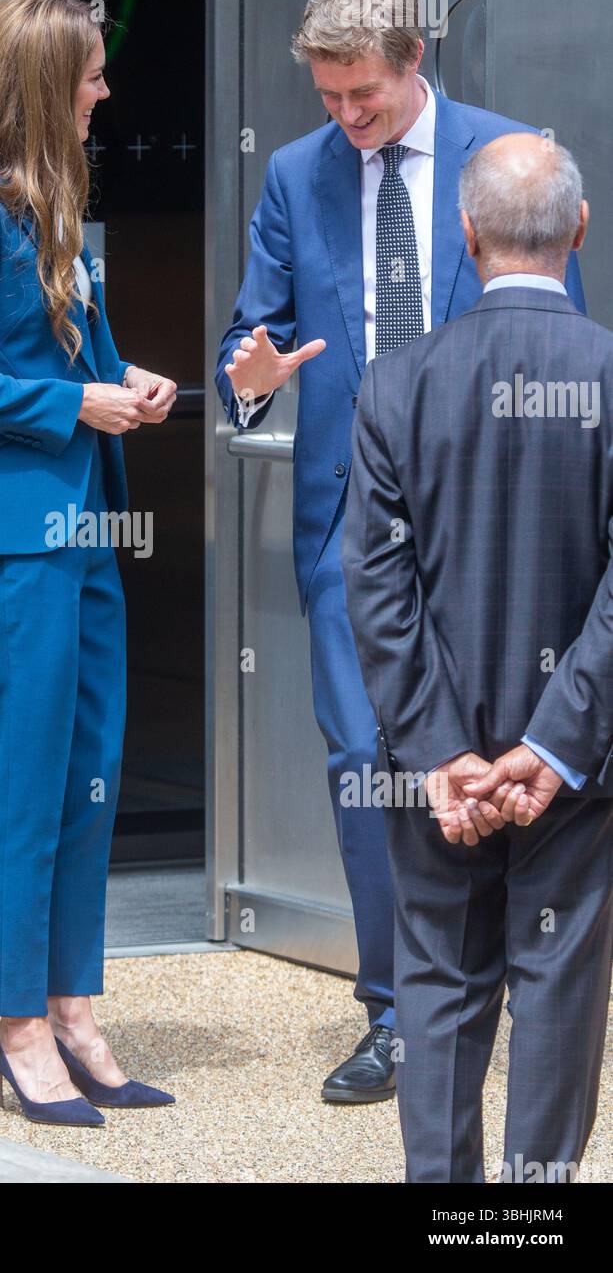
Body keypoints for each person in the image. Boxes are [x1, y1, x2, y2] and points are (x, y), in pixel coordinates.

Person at [215, 0, 585, 1103]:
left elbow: (564, 332)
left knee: (523, 741)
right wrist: (253, 377)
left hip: (496, 509)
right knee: (369, 762)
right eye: (328, 98)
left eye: (362, 95)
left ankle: (533, 997)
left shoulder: (508, 159)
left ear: (413, 61)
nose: (346, 118)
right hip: (349, 522)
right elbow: (247, 344)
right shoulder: (294, 174)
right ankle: (398, 1013)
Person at [0, 0, 177, 1126]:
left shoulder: (54, 204)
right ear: (41, 84)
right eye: (92, 76)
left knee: (87, 776)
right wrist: (78, 406)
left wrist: (137, 382)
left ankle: (72, 1005)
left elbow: (80, 356)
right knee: (24, 778)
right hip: (19, 531)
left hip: (88, 528)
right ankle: (16, 1023)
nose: (105, 92)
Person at [342, 133, 612, 1183]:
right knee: (556, 981)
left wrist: (441, 749)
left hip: (440, 770)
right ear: (578, 230)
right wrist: (553, 744)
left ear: (466, 233)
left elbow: (378, 588)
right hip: (576, 769)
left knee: (442, 981)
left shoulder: (397, 383)